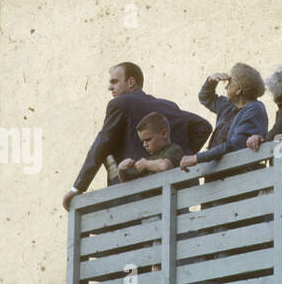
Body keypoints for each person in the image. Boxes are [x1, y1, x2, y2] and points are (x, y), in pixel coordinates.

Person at [63, 62, 211, 210]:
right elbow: (203, 126)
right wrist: (175, 158)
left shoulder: (120, 104)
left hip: (134, 201)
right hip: (171, 199)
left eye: (114, 82)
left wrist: (77, 188)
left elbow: (101, 145)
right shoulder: (168, 106)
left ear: (131, 82)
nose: (110, 87)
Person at [179, 63, 268, 169]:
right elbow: (205, 98)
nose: (226, 87)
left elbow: (235, 145)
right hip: (218, 173)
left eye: (229, 83)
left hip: (237, 175)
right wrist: (210, 82)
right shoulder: (229, 106)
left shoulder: (254, 108)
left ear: (238, 89)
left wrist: (196, 158)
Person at [118, 112, 184, 177]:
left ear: (164, 134)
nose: (144, 145)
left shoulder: (174, 149)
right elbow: (128, 183)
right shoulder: (149, 159)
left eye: (148, 140)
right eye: (143, 141)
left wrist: (146, 164)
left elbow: (165, 166)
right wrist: (121, 171)